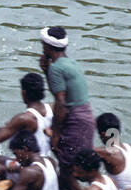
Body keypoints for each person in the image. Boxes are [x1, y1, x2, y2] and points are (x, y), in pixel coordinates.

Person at [39, 27, 94, 168]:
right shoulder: (71, 63)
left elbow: (61, 102)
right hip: (85, 118)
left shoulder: (56, 68)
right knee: (78, 166)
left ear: (47, 46)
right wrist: (46, 71)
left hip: (75, 120)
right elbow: (60, 94)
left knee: (69, 167)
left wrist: (55, 134)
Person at [0, 72, 52, 157]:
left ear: (24, 93)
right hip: (47, 162)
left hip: (32, 165)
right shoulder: (52, 108)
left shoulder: (24, 119)